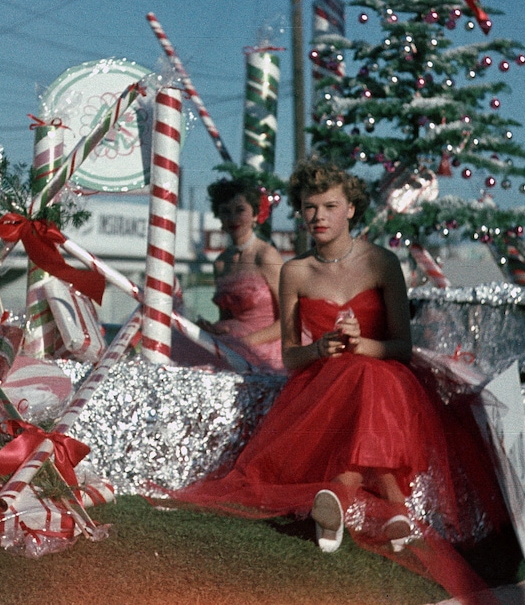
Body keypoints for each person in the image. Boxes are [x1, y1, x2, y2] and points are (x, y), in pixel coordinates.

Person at [169, 160, 505, 602]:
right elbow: (291, 355)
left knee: (369, 376)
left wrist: (360, 344)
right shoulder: (295, 271)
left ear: (351, 209)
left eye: (330, 205)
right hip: (323, 380)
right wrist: (321, 347)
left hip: (383, 373)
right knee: (360, 379)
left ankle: (338, 498)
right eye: (310, 207)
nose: (319, 216)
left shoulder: (383, 263)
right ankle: (393, 508)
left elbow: (401, 346)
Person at [193, 177, 285, 372]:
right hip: (232, 345)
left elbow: (290, 321)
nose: (233, 218)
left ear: (255, 214)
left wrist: (244, 343)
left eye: (240, 210)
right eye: (226, 212)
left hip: (266, 348)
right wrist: (216, 330)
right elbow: (228, 318)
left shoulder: (266, 255)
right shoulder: (221, 263)